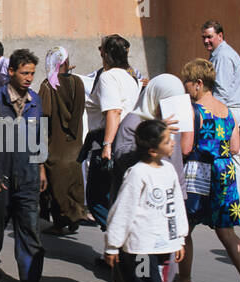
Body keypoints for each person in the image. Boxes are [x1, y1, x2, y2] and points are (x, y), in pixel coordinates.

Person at [105, 119, 188, 282]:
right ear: (152, 149)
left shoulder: (168, 170)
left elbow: (175, 208)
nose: (173, 143)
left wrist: (179, 239)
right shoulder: (137, 173)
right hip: (141, 249)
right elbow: (123, 210)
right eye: (167, 140)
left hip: (163, 246)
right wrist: (112, 245)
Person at [175, 58, 240, 282]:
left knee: (185, 228)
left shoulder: (192, 110)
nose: (185, 87)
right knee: (227, 232)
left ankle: (184, 280)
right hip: (224, 173)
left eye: (187, 82)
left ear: (199, 84)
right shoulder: (226, 110)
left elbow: (186, 147)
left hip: (198, 174)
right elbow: (235, 147)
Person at [0, 48, 49, 282]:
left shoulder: (36, 101)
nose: (29, 78)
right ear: (11, 72)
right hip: (0, 175)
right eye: (24, 72)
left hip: (28, 176)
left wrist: (41, 169)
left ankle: (31, 281)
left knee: (30, 229)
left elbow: (40, 137)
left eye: (32, 73)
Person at [83, 34, 141, 229]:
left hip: (108, 139)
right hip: (127, 138)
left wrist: (107, 145)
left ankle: (121, 237)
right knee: (115, 195)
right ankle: (117, 252)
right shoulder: (130, 77)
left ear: (106, 54)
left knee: (96, 197)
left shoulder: (108, 76)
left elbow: (114, 111)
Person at [112, 73, 191, 197]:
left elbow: (176, 162)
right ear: (156, 97)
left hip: (168, 192)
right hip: (141, 194)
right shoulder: (134, 120)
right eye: (167, 101)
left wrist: (180, 193)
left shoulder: (171, 121)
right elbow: (122, 156)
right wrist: (154, 132)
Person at [37, 46, 87, 235]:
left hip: (55, 147)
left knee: (54, 187)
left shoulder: (48, 86)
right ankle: (74, 218)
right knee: (73, 184)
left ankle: (59, 223)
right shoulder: (78, 83)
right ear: (65, 62)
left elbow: (43, 116)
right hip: (74, 146)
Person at [202, 20, 240, 203]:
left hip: (227, 110)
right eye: (203, 37)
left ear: (220, 35)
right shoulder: (219, 54)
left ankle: (236, 202)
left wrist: (211, 113)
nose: (206, 41)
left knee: (231, 156)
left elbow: (222, 90)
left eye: (209, 37)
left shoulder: (223, 56)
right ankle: (233, 201)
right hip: (228, 110)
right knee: (229, 156)